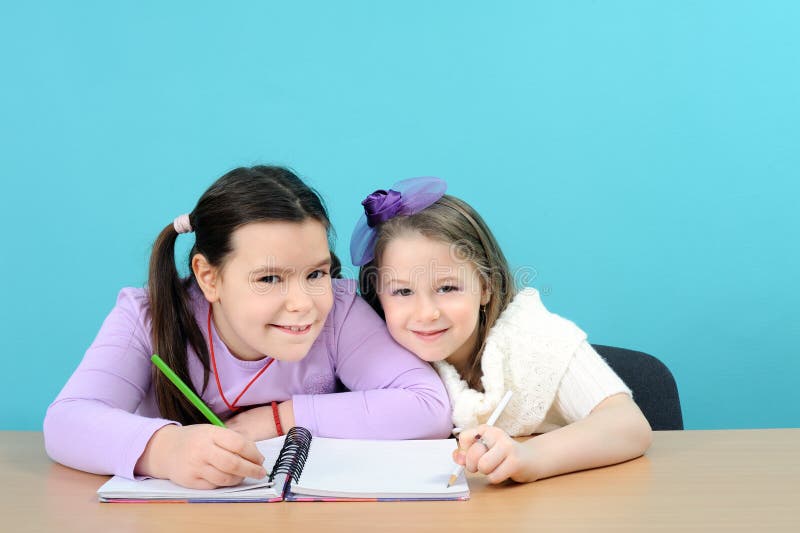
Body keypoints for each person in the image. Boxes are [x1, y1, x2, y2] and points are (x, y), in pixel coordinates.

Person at [44, 166, 451, 489]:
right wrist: (165, 449)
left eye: (315, 273)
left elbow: (428, 406)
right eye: (269, 279)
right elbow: (66, 422)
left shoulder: (340, 309)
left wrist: (277, 419)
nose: (302, 304)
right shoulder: (147, 314)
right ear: (209, 277)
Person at [351, 177, 652, 484]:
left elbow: (630, 425)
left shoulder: (536, 338)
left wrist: (529, 457)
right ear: (378, 294)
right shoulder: (375, 355)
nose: (427, 313)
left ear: (486, 287)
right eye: (402, 292)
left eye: (447, 287)